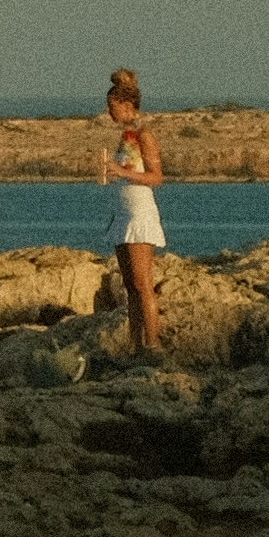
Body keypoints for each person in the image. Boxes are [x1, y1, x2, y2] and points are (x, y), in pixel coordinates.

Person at [99, 68, 173, 360]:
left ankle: (152, 345)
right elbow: (130, 172)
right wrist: (113, 173)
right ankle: (134, 345)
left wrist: (120, 171)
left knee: (143, 284)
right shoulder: (124, 138)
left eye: (112, 106)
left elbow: (156, 177)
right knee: (129, 286)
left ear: (126, 105)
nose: (109, 112)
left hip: (140, 214)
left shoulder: (145, 135)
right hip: (122, 213)